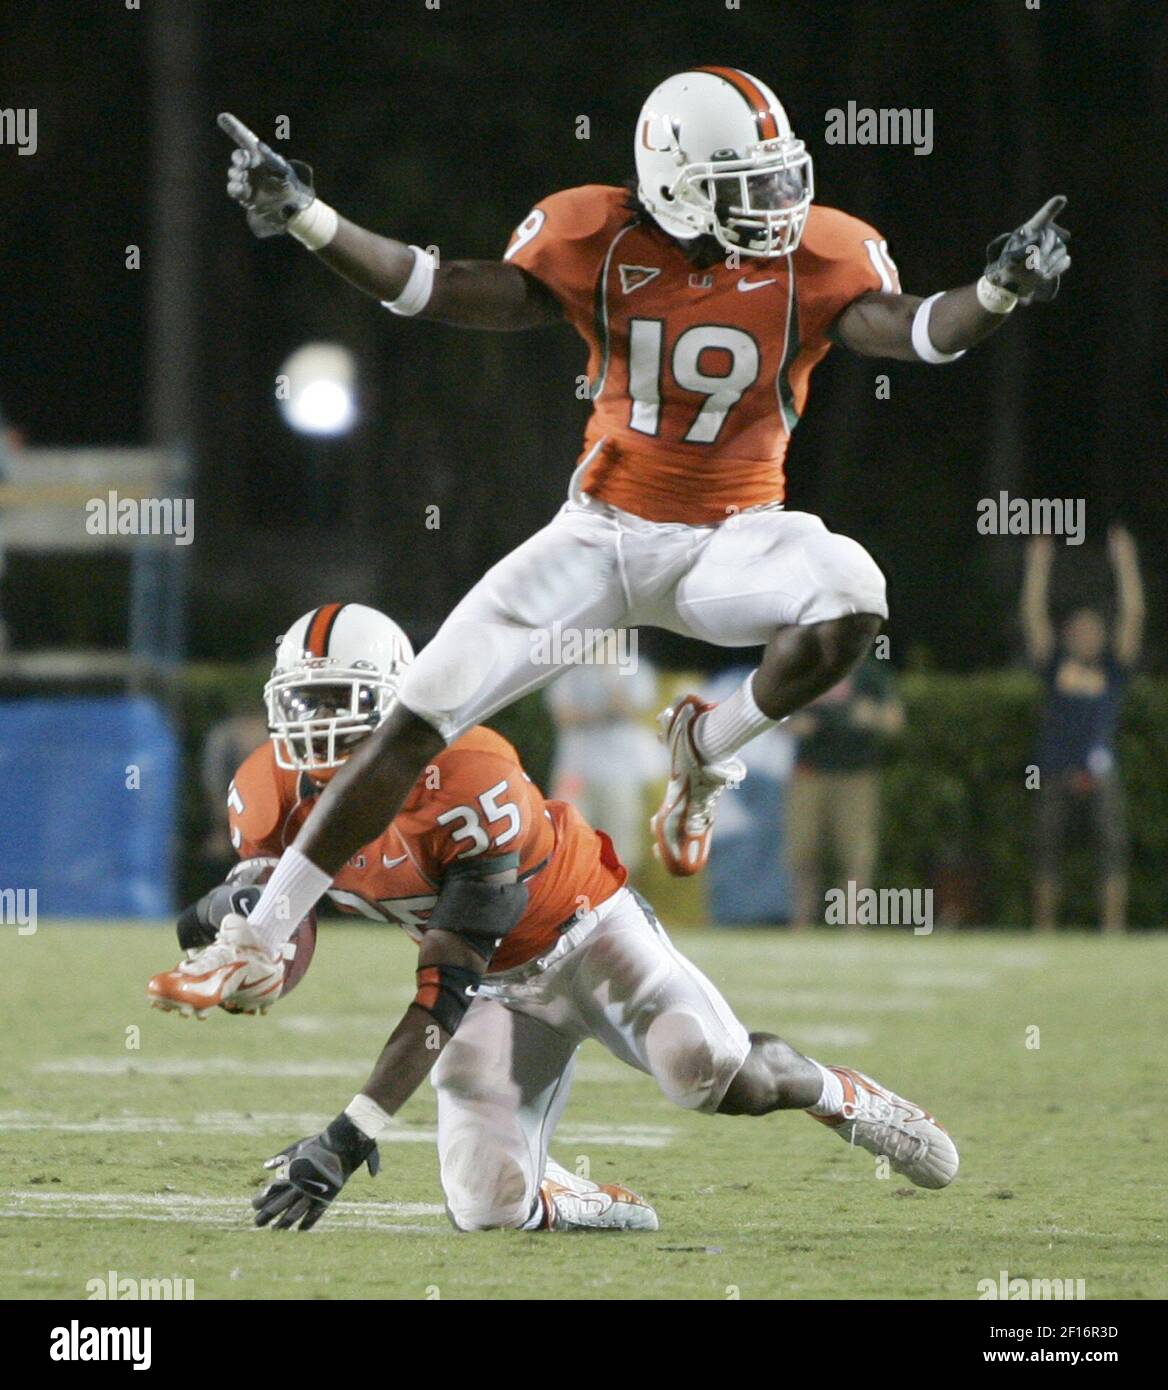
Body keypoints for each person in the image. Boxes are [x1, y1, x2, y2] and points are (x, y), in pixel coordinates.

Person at [186, 69, 1069, 1007]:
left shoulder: (818, 256)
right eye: (749, 183)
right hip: (600, 534)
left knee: (853, 592)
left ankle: (709, 746)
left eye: (780, 177)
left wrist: (998, 289)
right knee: (419, 711)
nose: (780, 203)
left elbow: (917, 331)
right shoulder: (597, 237)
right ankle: (261, 931)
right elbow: (436, 287)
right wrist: (312, 218)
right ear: (679, 181)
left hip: (734, 540)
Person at [149, 605, 958, 1232]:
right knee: (487, 1207)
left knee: (706, 1069)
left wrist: (351, 1131)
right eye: (302, 702)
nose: (315, 726)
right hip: (498, 989)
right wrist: (239, 937)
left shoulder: (468, 776)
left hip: (586, 937)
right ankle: (574, 1196)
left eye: (339, 701)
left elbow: (446, 981)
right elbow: (283, 919)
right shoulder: (269, 789)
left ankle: (841, 1094)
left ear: (398, 700)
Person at [1020, 526, 1144, 933]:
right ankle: (1045, 928)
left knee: (1111, 849)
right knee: (1046, 849)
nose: (1090, 634)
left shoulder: (1112, 669)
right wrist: (1038, 566)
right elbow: (1032, 616)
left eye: (1096, 629)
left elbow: (1134, 615)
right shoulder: (1055, 665)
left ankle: (1112, 929)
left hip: (1100, 771)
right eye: (1081, 629)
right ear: (1069, 634)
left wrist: (1125, 563)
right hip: (1053, 768)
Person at [785, 652, 905, 929]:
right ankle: (800, 924)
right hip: (809, 773)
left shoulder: (870, 674)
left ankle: (853, 925)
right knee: (802, 851)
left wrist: (870, 715)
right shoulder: (806, 669)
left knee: (855, 853)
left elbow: (895, 720)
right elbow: (779, 716)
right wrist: (795, 726)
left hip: (856, 775)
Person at [545, 657, 661, 875]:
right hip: (575, 769)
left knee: (620, 847)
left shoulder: (636, 667)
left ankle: (615, 901)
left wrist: (610, 678)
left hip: (620, 772)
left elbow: (637, 712)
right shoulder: (570, 669)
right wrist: (604, 712)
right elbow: (563, 716)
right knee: (566, 840)